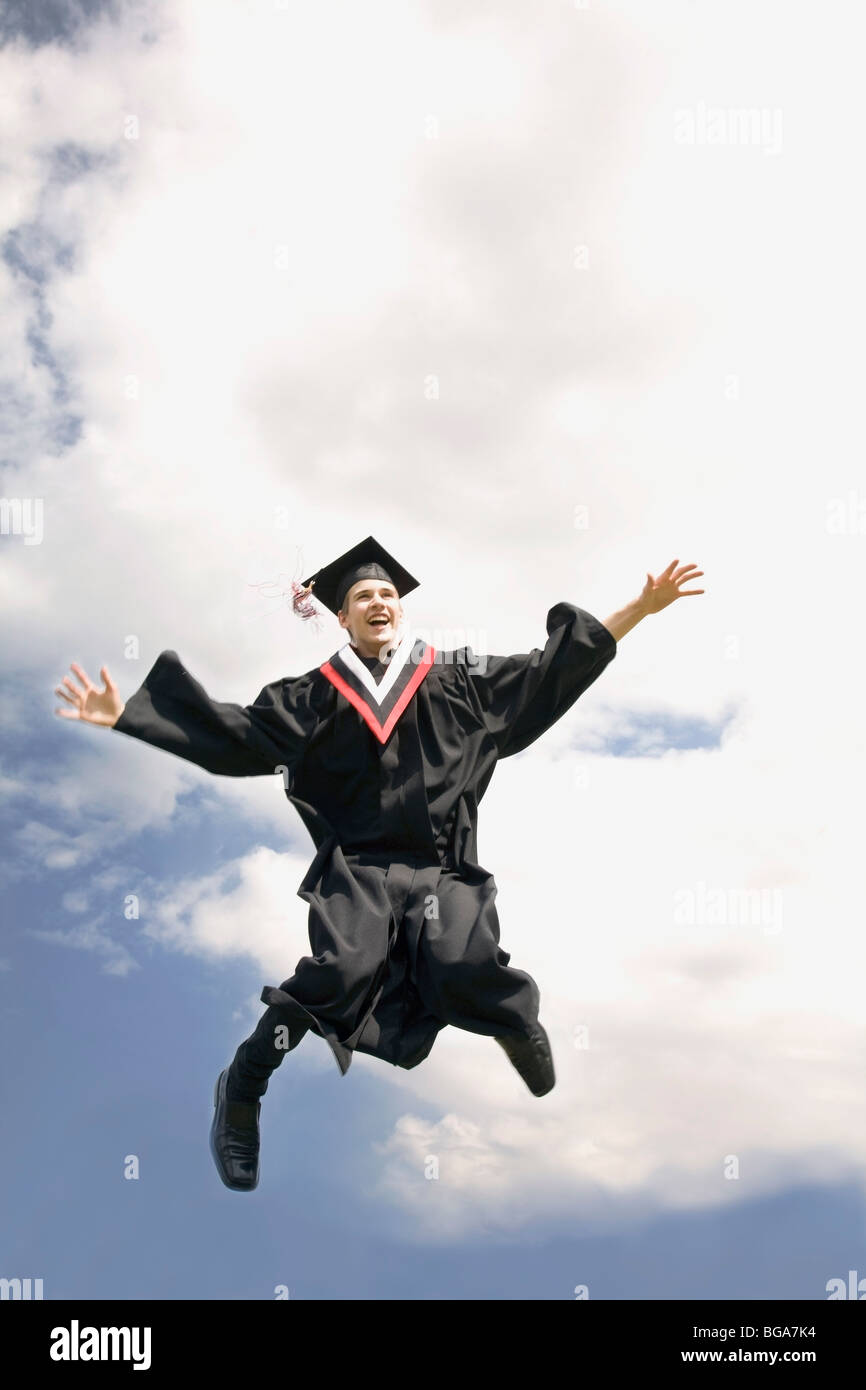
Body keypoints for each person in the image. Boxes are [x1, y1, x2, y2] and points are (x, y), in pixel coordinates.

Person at [55, 539, 704, 1191]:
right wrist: (131, 716)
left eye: (388, 594)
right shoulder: (312, 699)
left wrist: (640, 609)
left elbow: (547, 671)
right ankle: (245, 1085)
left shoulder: (456, 678)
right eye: (364, 595)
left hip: (445, 866)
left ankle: (510, 1016)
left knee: (461, 965)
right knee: (341, 973)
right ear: (341, 616)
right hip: (360, 869)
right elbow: (237, 736)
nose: (379, 601)